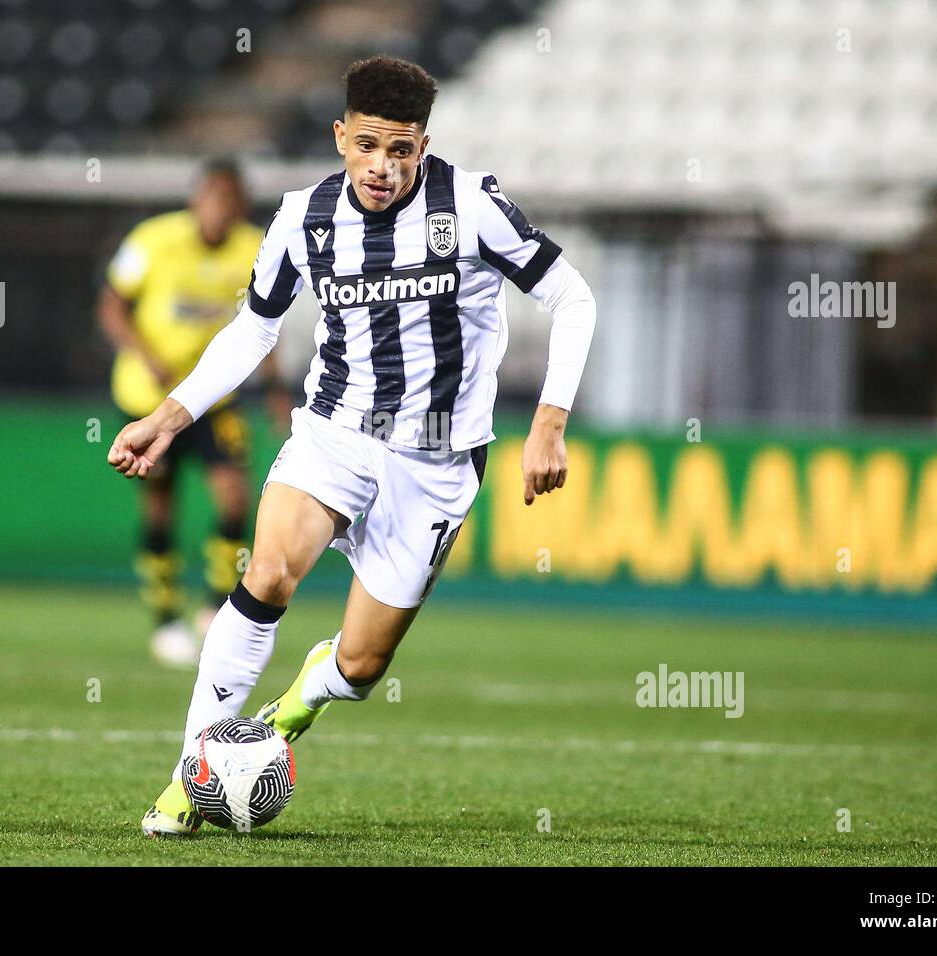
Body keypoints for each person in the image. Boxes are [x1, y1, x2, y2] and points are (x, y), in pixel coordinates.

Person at [108, 55, 597, 836]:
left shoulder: (470, 206)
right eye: (367, 144)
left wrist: (549, 421)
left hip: (438, 461)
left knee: (362, 667)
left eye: (401, 150)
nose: (382, 166)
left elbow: (572, 297)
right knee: (265, 572)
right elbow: (255, 328)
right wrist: (170, 415)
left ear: (424, 146)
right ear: (341, 136)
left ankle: (294, 705)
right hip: (334, 434)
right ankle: (188, 776)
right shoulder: (303, 218)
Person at [98, 159, 290, 667]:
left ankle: (214, 606)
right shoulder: (153, 240)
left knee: (234, 496)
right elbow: (112, 306)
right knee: (160, 500)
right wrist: (147, 356)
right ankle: (164, 616)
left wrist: (275, 389)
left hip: (212, 398)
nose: (222, 211)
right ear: (197, 199)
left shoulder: (254, 246)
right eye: (214, 199)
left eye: (232, 202)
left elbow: (262, 324)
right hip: (148, 397)